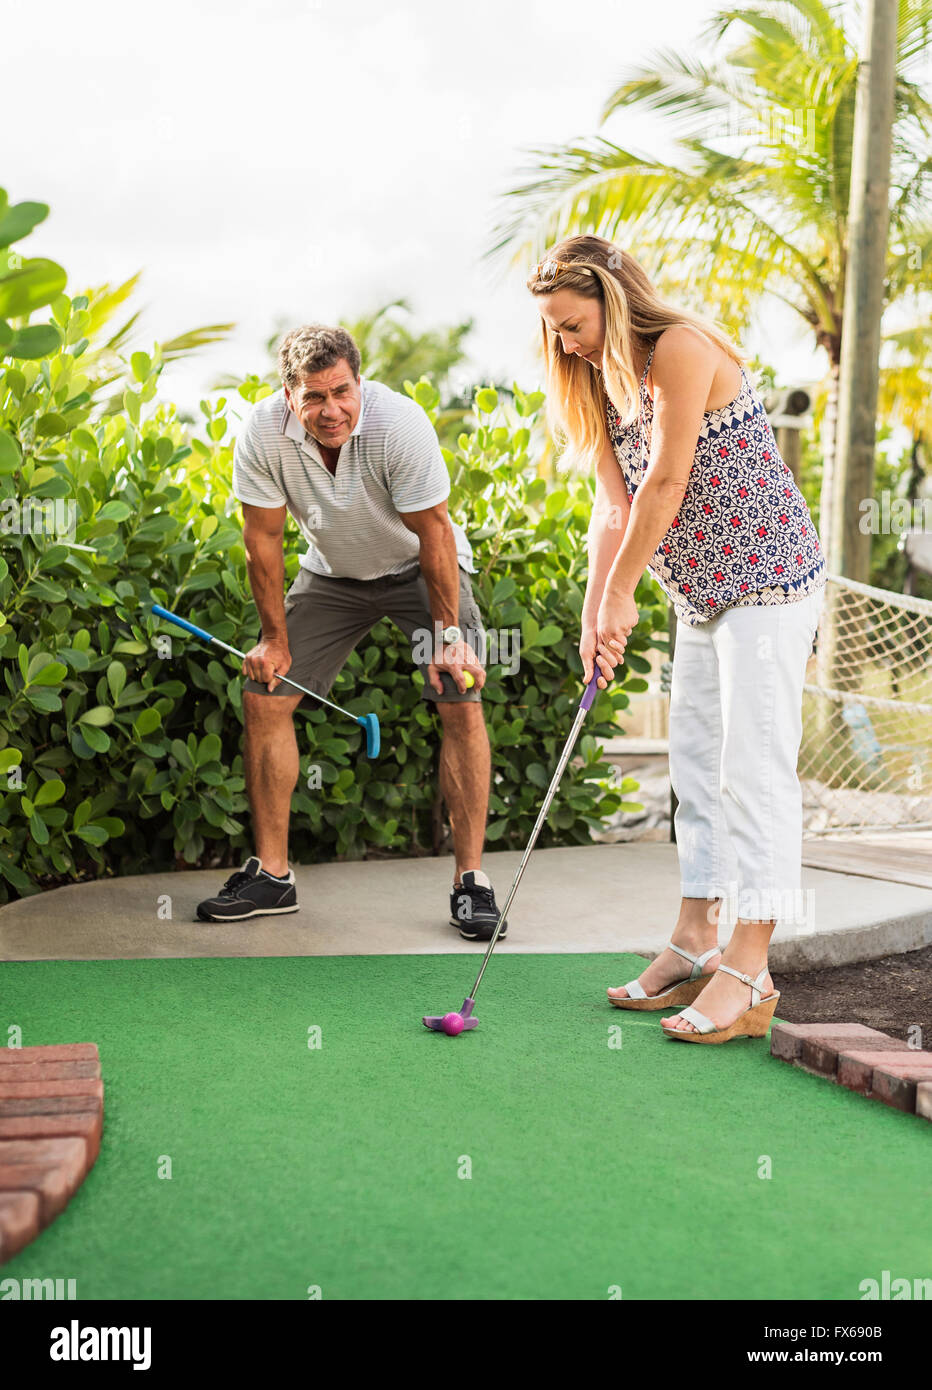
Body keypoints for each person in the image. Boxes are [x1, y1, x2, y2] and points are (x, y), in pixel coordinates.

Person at [527, 236, 826, 1044]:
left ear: (612, 296)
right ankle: (697, 936)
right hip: (700, 595)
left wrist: (625, 591)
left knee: (752, 771)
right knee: (695, 771)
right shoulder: (600, 382)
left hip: (767, 580)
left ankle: (750, 965)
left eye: (571, 322)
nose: (564, 342)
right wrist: (598, 611)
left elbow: (668, 479)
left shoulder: (682, 350)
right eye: (553, 330)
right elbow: (615, 508)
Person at [195, 324, 503, 942]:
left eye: (341, 392)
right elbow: (264, 540)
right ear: (288, 396)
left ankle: (471, 882)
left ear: (359, 381)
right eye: (313, 397)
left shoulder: (399, 424)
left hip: (420, 567)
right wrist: (272, 638)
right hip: (333, 575)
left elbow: (436, 531)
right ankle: (273, 876)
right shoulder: (260, 434)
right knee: (265, 695)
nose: (331, 410)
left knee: (460, 696)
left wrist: (449, 635)